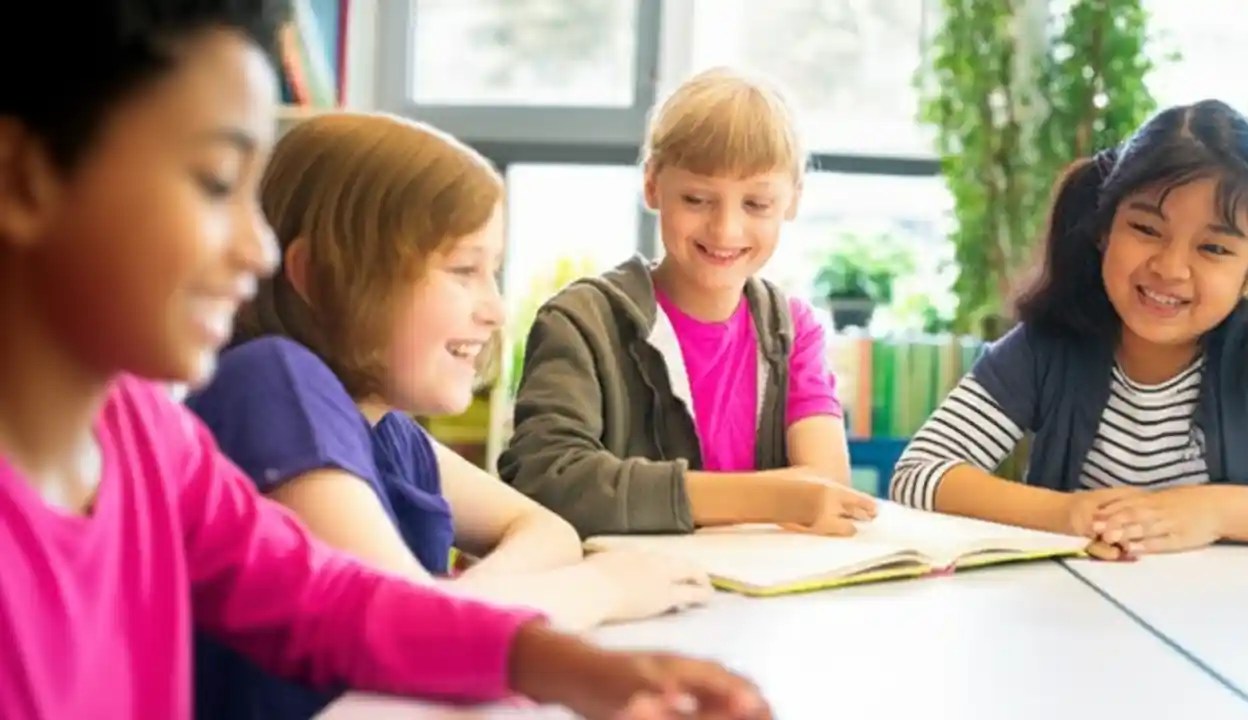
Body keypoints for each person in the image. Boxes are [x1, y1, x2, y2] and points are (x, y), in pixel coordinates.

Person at [0, 4, 772, 719]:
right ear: (26, 175)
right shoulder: (260, 388)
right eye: (213, 183)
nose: (258, 247)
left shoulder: (148, 441)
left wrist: (573, 669)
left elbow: (334, 603)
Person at [188, 111, 718, 719]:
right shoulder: (273, 382)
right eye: (464, 271)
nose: (495, 309)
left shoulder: (384, 429)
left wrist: (464, 607)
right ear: (321, 275)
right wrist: (601, 589)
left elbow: (547, 532)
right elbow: (399, 632)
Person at [499, 67, 878, 539]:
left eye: (756, 205)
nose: (725, 231)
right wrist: (776, 496)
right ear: (653, 184)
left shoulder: (793, 329)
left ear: (793, 200)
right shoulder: (581, 323)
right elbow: (548, 479)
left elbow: (826, 487)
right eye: (697, 199)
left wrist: (796, 495)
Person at [891, 99, 1248, 558]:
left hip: (1224, 624)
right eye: (1146, 229)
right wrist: (1064, 514)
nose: (1171, 269)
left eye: (1213, 248)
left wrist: (1214, 512)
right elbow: (917, 474)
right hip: (1070, 616)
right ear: (1103, 229)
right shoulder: (1045, 349)